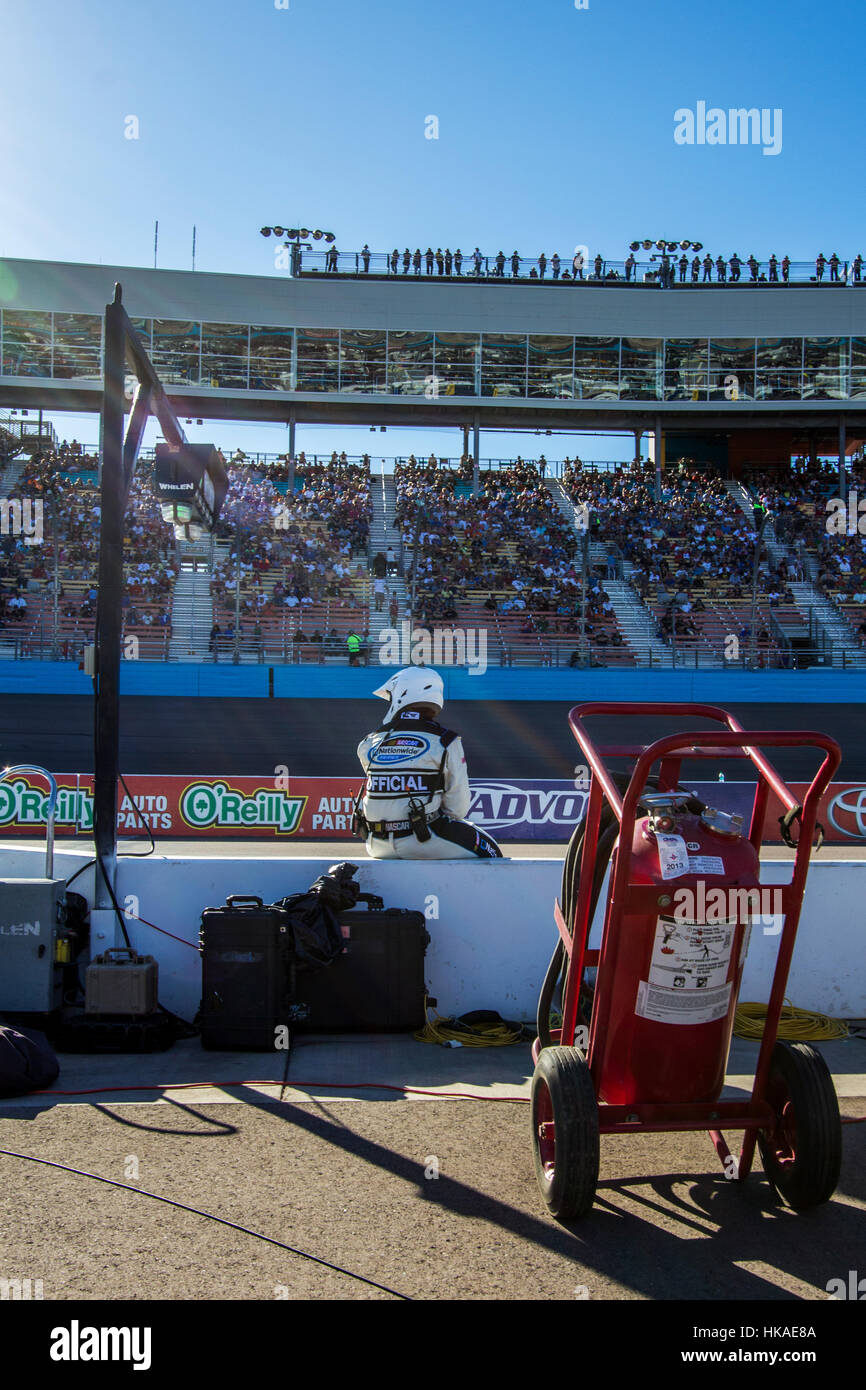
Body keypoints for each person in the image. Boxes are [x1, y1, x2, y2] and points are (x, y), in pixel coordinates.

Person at [355, 667, 502, 859]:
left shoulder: (369, 742)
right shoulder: (446, 741)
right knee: (492, 851)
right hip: (425, 839)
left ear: (402, 694)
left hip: (376, 844)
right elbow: (458, 808)